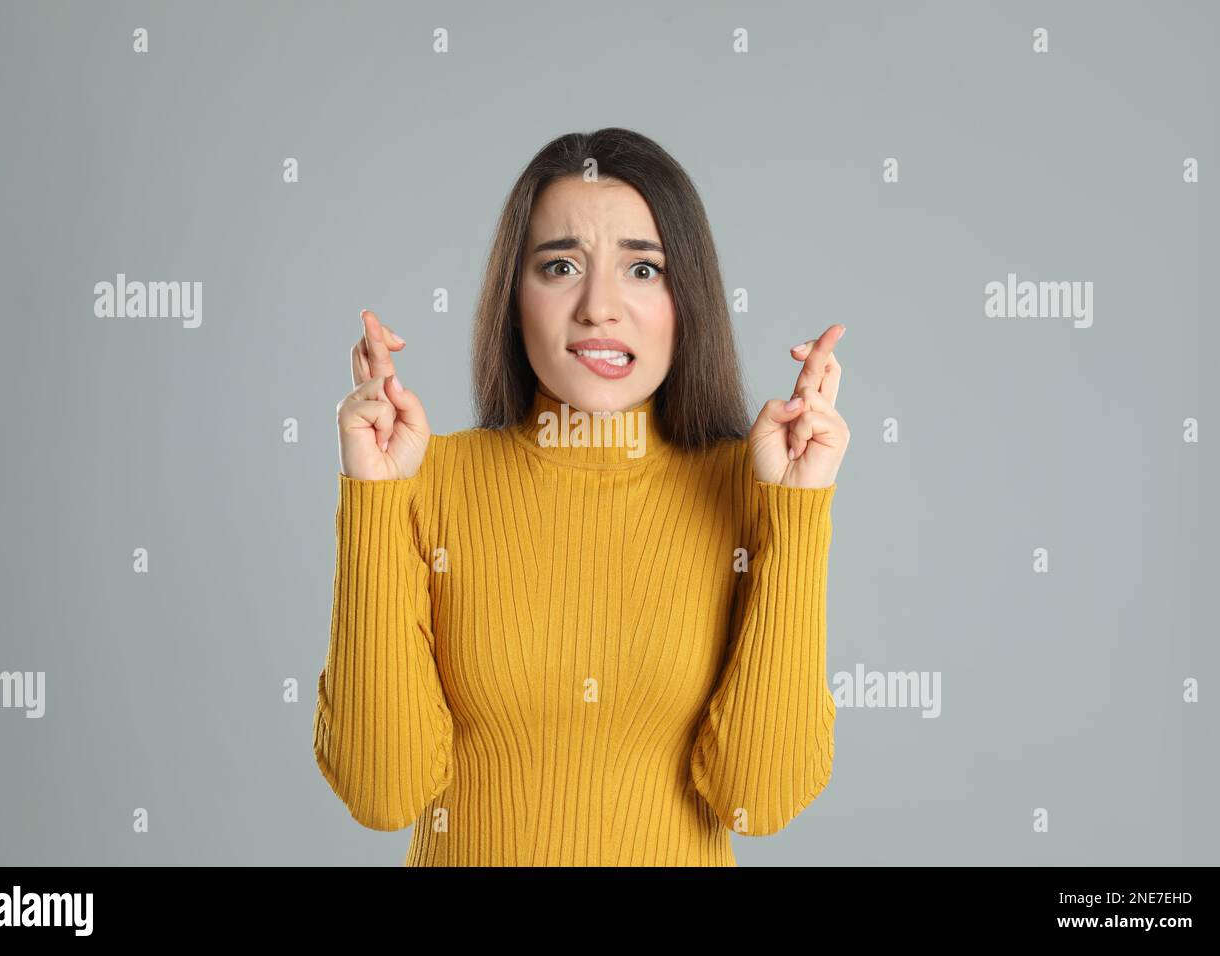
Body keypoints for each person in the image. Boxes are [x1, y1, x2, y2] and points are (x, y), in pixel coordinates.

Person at [313, 127, 850, 866]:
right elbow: (380, 792)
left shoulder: (749, 488)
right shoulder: (424, 482)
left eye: (643, 270)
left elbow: (760, 796)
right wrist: (373, 499)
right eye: (561, 265)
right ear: (514, 298)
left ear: (687, 299)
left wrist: (794, 511)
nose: (599, 307)